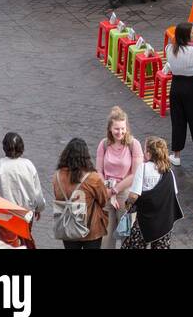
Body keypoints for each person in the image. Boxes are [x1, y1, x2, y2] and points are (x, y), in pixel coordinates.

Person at [0, 132, 46, 248]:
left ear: (4, 148)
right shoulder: (29, 165)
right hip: (26, 213)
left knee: (9, 245)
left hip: (6, 214)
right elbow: (37, 192)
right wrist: (39, 208)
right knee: (24, 240)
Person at [95, 106, 143, 248]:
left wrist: (114, 190)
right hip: (106, 193)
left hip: (125, 196)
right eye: (116, 129)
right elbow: (98, 170)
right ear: (110, 128)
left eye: (123, 128)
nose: (120, 132)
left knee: (125, 236)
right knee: (105, 236)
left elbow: (135, 174)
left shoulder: (134, 145)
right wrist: (107, 188)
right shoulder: (104, 144)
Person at [165, 24, 193, 167]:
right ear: (186, 35)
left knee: (178, 121)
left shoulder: (169, 49)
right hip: (192, 87)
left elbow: (171, 66)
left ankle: (176, 155)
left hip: (176, 87)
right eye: (192, 32)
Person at [121, 136, 178, 250]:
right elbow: (174, 194)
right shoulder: (169, 171)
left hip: (145, 222)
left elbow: (134, 195)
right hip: (164, 224)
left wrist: (127, 203)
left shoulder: (143, 167)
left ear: (148, 153)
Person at [51, 138, 110, 250]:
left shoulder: (57, 176)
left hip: (67, 226)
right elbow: (103, 200)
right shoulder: (92, 178)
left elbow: (57, 196)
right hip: (91, 228)